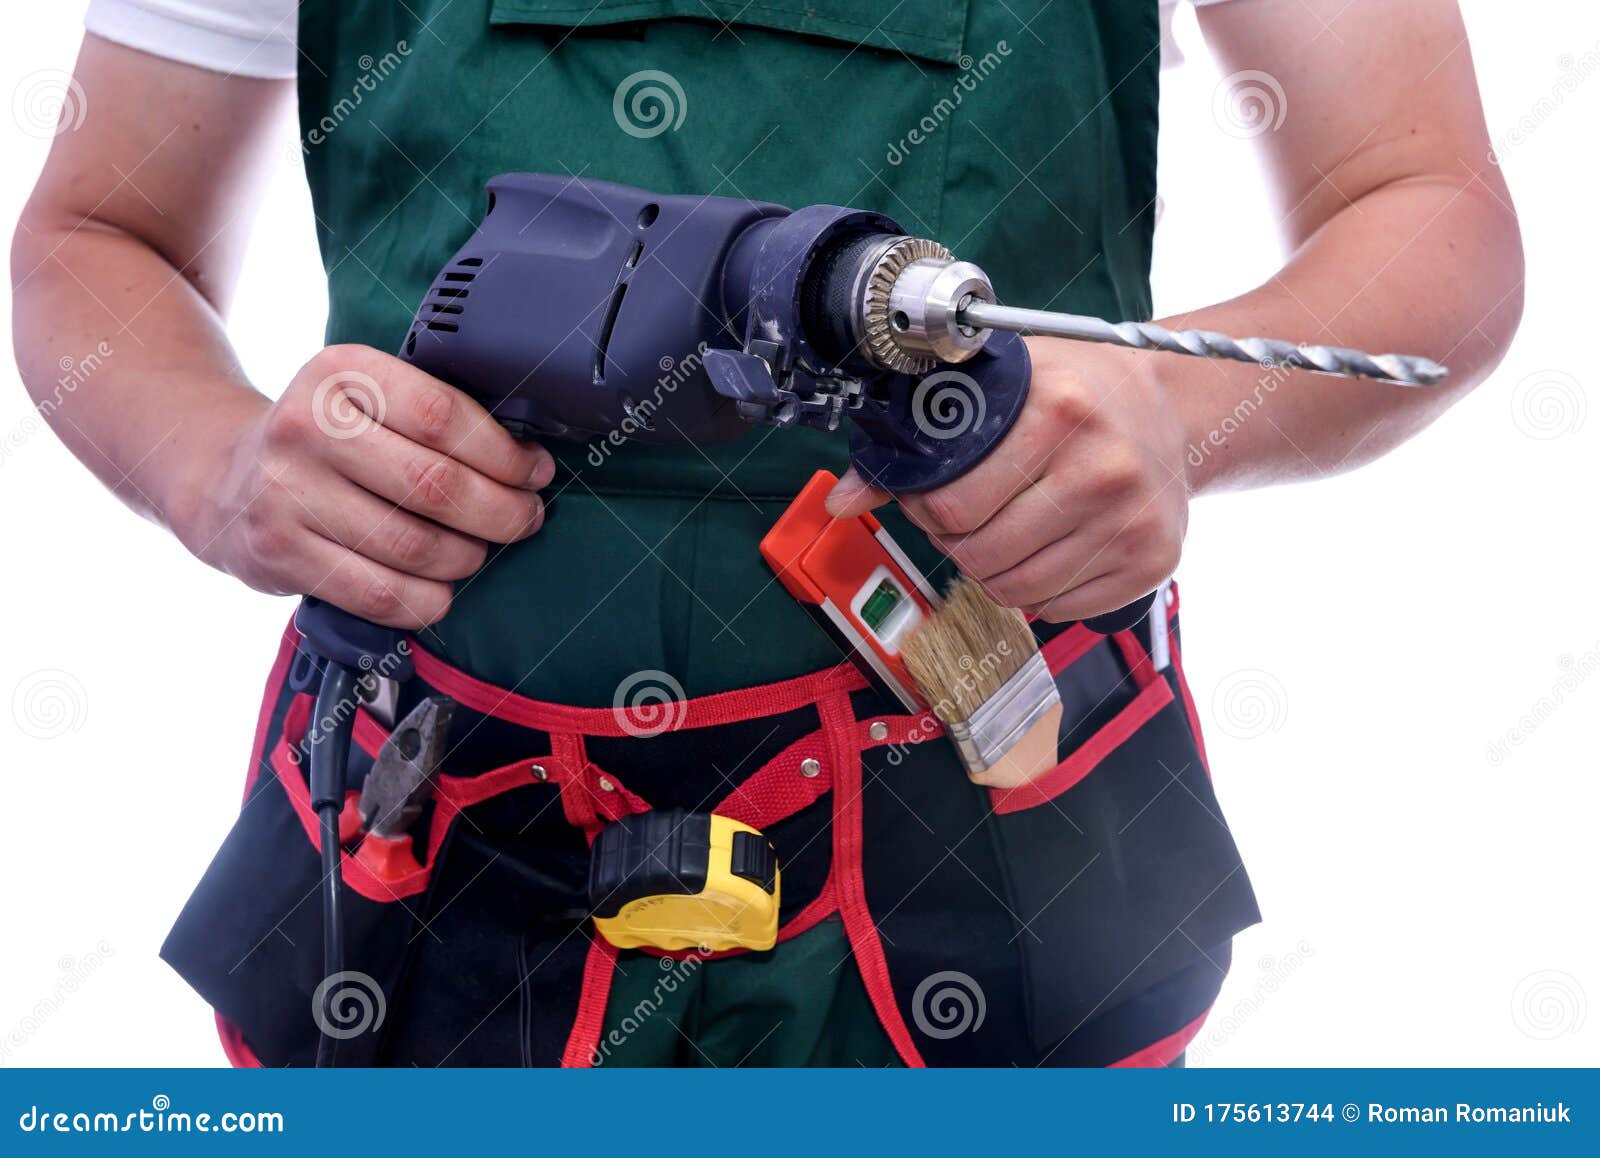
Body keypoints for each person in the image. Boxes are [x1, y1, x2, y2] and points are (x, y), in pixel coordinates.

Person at [13, 0, 1521, 1067]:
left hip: (982, 884)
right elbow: (94, 234)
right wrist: (214, 467)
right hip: (435, 875)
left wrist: (1174, 410)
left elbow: (1426, 211)